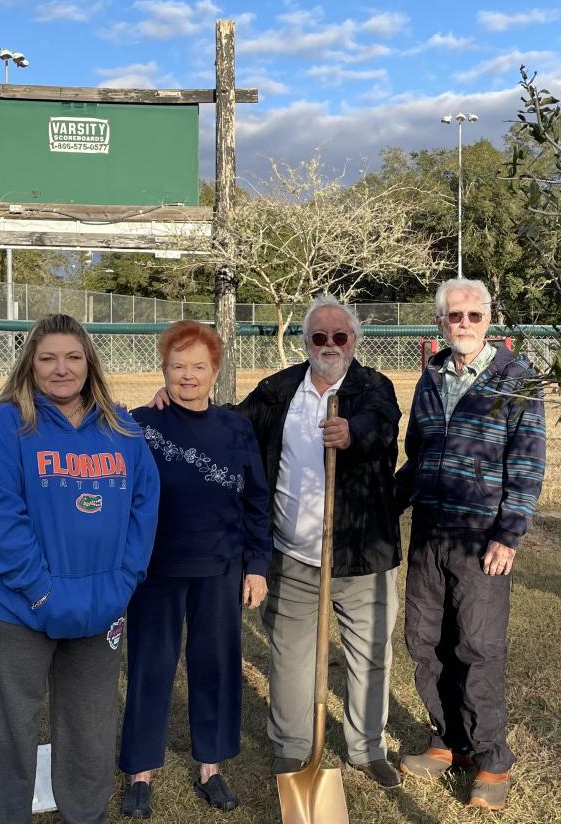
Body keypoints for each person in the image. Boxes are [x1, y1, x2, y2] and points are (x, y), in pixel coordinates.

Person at [149, 296, 403, 789]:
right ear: (305, 342)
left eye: (340, 336)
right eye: (319, 337)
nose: (329, 345)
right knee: (289, 656)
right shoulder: (278, 390)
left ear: (354, 341)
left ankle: (366, 747)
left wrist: (351, 433)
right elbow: (228, 422)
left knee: (370, 654)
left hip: (363, 556)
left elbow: (382, 425)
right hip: (293, 554)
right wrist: (181, 400)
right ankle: (292, 747)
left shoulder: (374, 387)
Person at [0, 314, 159, 824]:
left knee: (90, 723)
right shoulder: (6, 426)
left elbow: (143, 508)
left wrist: (123, 581)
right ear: (30, 364)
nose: (61, 369)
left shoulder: (122, 429)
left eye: (73, 356)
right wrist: (42, 592)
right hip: (18, 608)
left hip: (102, 606)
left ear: (89, 362)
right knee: (10, 731)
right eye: (48, 358)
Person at [396, 278, 546, 812]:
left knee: (478, 647)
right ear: (440, 322)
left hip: (481, 539)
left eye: (473, 316)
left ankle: (491, 760)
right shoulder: (431, 376)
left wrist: (509, 534)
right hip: (430, 533)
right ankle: (448, 740)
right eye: (453, 316)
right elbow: (418, 456)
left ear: (489, 320)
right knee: (424, 640)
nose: (463, 324)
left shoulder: (517, 379)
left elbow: (527, 463)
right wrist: (382, 506)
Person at [119, 322, 270, 817]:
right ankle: (140, 770)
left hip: (220, 566)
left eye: (198, 366)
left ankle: (211, 766)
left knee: (215, 665)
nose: (188, 376)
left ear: (215, 371)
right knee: (151, 665)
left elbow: (256, 501)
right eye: (178, 366)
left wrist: (257, 566)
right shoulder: (139, 425)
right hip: (157, 568)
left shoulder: (236, 428)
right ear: (163, 370)